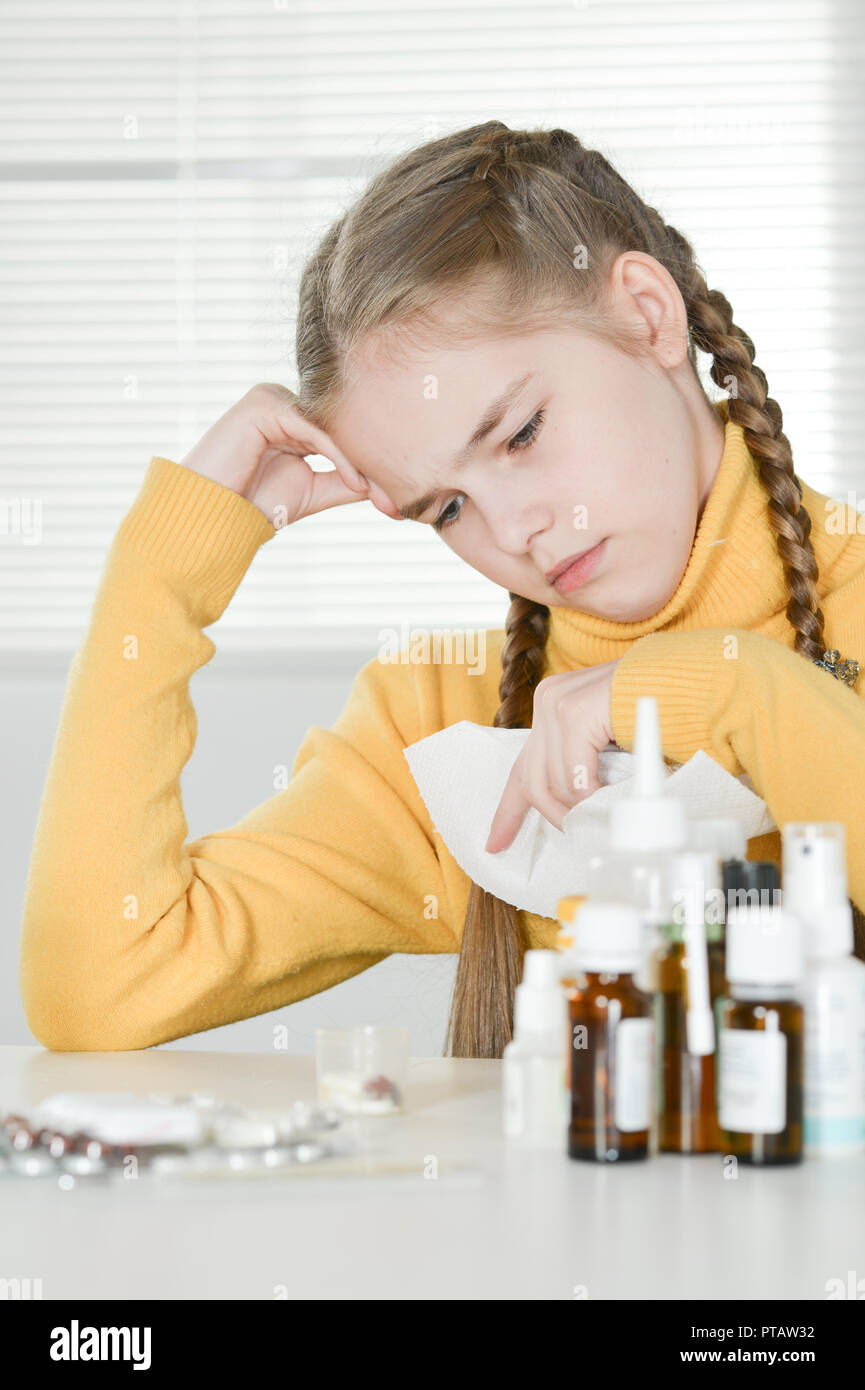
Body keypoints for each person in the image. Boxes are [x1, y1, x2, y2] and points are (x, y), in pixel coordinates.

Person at [19, 121, 865, 1058]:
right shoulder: (448, 741)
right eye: (447, 507)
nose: (511, 533)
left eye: (519, 434)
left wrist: (731, 688)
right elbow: (104, 988)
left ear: (646, 314)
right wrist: (162, 571)